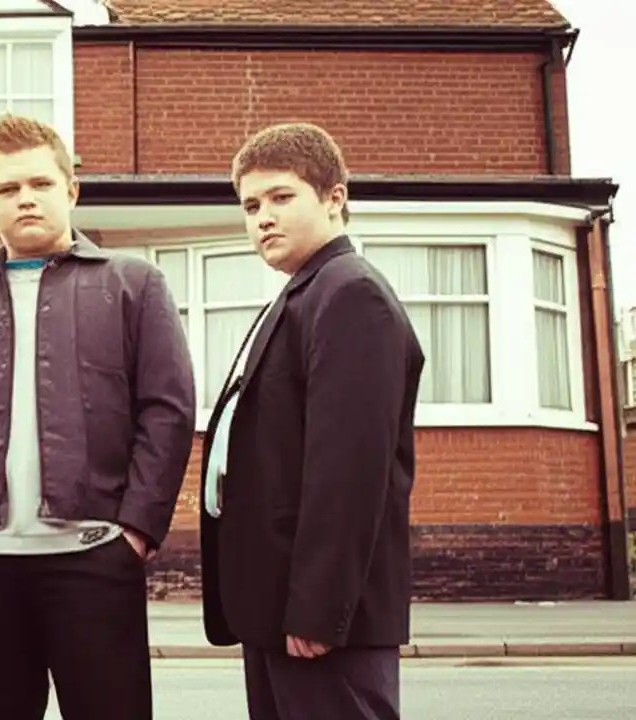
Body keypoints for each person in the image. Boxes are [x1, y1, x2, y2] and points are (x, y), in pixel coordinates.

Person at [0, 113, 196, 720]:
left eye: (40, 183)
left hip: (93, 555)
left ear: (72, 189)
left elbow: (167, 411)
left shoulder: (135, 285)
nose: (25, 198)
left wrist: (134, 531)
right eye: (7, 189)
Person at [198, 122, 425, 720]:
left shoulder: (351, 295)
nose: (262, 218)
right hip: (277, 609)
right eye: (250, 205)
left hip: (321, 621)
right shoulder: (301, 293)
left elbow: (349, 471)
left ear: (334, 198)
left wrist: (319, 609)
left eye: (281, 197)